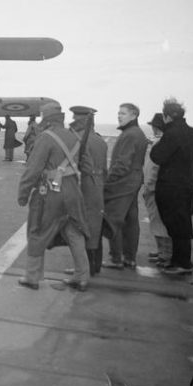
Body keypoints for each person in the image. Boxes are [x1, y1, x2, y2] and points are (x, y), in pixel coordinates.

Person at [17, 102, 90, 291]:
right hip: (73, 190)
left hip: (50, 193)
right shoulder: (73, 136)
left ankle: (32, 277)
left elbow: (33, 169)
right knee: (74, 232)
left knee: (36, 231)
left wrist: (23, 194)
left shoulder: (45, 137)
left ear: (46, 119)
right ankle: (82, 276)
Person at [150, 98, 193, 275]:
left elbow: (157, 156)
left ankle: (182, 263)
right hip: (187, 184)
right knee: (183, 224)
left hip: (170, 186)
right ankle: (179, 260)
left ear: (166, 117)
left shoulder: (171, 133)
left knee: (175, 226)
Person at [102, 103, 148, 270]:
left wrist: (107, 182)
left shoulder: (130, 134)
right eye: (118, 113)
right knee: (131, 221)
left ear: (134, 115)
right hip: (133, 182)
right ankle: (130, 258)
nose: (119, 116)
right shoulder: (137, 133)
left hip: (123, 183)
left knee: (113, 219)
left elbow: (122, 164)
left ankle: (116, 259)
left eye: (123, 113)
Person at [69, 106, 108, 276]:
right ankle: (95, 265)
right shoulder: (99, 139)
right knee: (95, 226)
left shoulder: (78, 139)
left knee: (80, 226)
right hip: (98, 186)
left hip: (84, 185)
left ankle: (85, 268)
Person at [143, 113, 172, 266]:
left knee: (159, 223)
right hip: (154, 187)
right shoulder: (160, 142)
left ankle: (165, 254)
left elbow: (154, 169)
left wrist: (148, 186)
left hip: (154, 188)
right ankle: (162, 252)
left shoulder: (160, 143)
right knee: (157, 222)